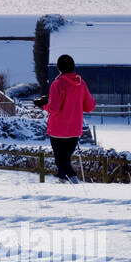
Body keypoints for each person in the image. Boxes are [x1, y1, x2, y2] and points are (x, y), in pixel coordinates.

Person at [38, 54, 95, 182]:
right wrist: (75, 103)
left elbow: (54, 109)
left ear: (59, 68)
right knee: (65, 160)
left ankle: (75, 184)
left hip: (58, 130)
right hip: (75, 130)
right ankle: (63, 184)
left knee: (61, 162)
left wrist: (44, 105)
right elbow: (90, 106)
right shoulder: (81, 83)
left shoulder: (57, 84)